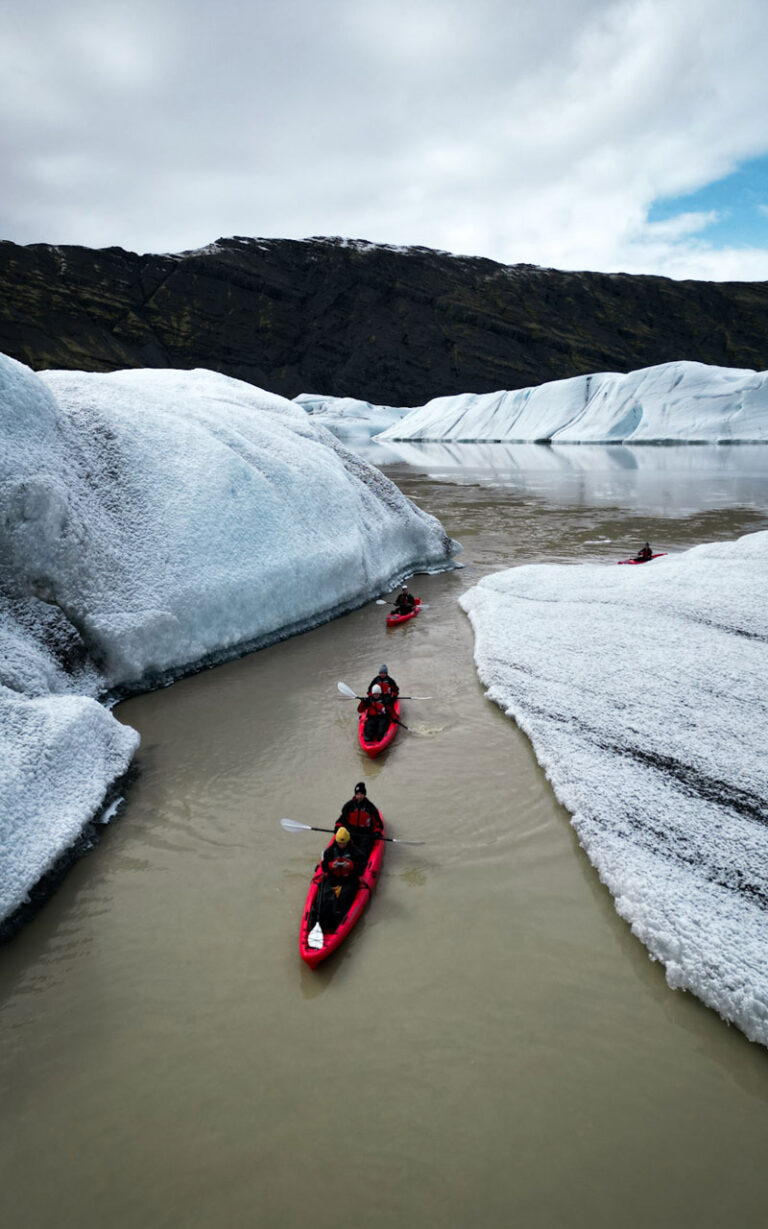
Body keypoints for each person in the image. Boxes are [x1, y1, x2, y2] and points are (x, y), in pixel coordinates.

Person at [318, 827, 360, 929]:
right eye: (340, 843)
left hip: (349, 879)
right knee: (325, 896)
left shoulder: (354, 851)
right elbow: (324, 867)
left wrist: (351, 866)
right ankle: (320, 921)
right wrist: (331, 865)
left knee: (344, 898)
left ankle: (339, 921)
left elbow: (362, 866)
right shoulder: (330, 851)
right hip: (333, 877)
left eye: (344, 843)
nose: (342, 845)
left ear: (348, 841)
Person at [335, 781, 383, 863]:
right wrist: (337, 827)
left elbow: (379, 824)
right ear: (355, 794)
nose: (359, 796)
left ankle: (362, 864)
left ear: (364, 794)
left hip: (365, 834)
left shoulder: (370, 807)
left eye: (361, 794)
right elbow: (342, 819)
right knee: (343, 846)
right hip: (351, 832)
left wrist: (377, 832)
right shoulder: (349, 806)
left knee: (364, 851)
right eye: (357, 794)